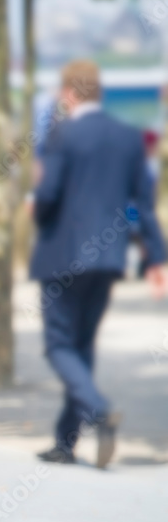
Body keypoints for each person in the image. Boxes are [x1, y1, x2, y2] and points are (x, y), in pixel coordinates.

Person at [31, 59, 167, 469]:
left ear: (69, 93)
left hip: (63, 254)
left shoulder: (61, 134)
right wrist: (156, 257)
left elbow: (49, 193)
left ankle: (98, 409)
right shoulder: (128, 138)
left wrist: (37, 217)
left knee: (58, 345)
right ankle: (66, 442)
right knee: (82, 345)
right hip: (109, 258)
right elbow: (142, 204)